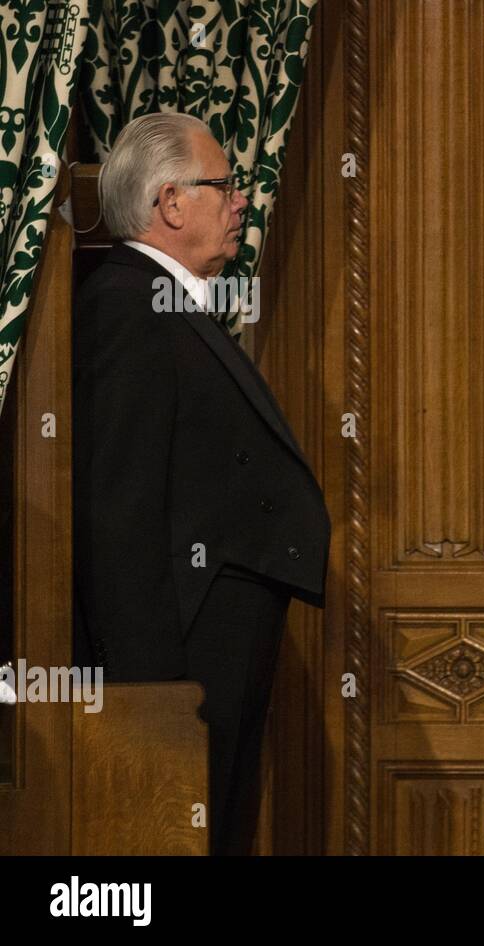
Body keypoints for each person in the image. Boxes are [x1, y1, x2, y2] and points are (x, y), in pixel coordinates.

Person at [72, 112, 330, 855]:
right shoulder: (128, 305)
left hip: (210, 649)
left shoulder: (165, 301)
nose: (241, 201)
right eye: (224, 186)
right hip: (180, 659)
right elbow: (115, 510)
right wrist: (154, 695)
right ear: (171, 203)